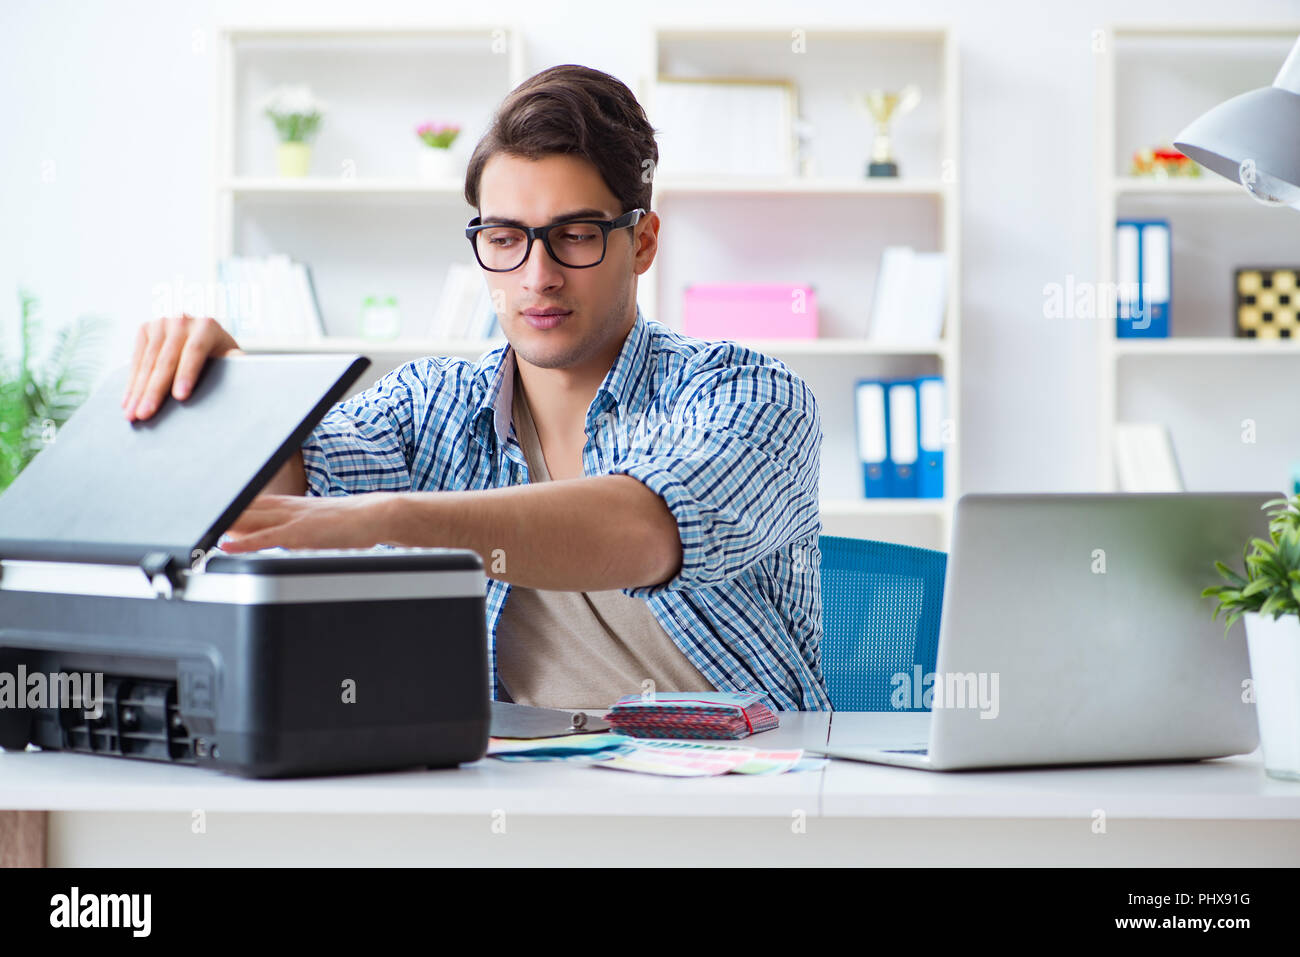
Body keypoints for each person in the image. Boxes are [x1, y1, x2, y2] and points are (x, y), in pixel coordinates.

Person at [120, 64, 830, 711]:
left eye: (576, 235)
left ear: (641, 241)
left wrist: (398, 518)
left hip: (746, 799)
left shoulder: (749, 394)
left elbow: (647, 530)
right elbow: (291, 495)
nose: (537, 275)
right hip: (520, 795)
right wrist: (229, 395)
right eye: (504, 237)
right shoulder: (435, 401)